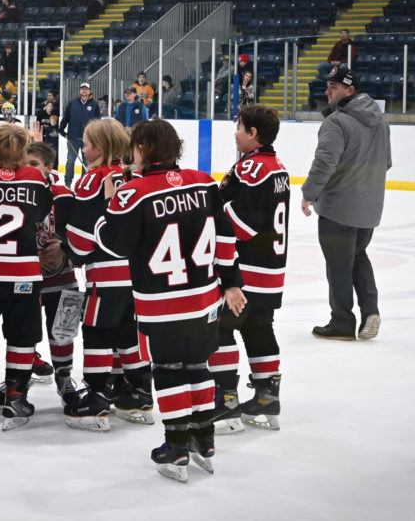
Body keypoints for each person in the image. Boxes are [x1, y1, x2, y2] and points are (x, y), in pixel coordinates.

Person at [96, 118, 245, 482]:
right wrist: (232, 283)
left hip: (161, 303)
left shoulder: (134, 192)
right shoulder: (204, 182)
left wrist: (109, 203)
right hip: (205, 298)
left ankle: (176, 445)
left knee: (168, 370)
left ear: (143, 149)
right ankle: (204, 438)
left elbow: (112, 243)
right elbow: (226, 238)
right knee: (198, 366)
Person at [62, 119, 153, 432]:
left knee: (97, 330)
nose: (84, 150)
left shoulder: (92, 179)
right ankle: (139, 394)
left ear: (98, 148)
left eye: (86, 145)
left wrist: (74, 254)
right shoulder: (137, 174)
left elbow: (79, 235)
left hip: (107, 273)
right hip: (139, 275)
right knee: (129, 332)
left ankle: (97, 398)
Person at [212, 105, 290, 434]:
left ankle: (226, 398)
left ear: (253, 134)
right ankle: (267, 396)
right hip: (272, 272)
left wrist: (215, 207)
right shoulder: (278, 167)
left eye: (240, 127)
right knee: (259, 329)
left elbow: (242, 225)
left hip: (246, 272)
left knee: (221, 329)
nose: (235, 132)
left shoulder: (252, 169)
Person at [0, 124, 53, 430]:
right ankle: (16, 393)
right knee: (22, 335)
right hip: (23, 271)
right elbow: (42, 213)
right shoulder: (35, 177)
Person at [301, 66, 390, 341]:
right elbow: (385, 163)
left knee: (339, 265)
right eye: (327, 85)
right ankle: (370, 311)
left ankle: (341, 321)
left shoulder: (336, 122)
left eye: (334, 87)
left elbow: (324, 163)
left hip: (339, 208)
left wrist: (309, 193)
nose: (327, 91)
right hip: (369, 209)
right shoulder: (380, 121)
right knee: (358, 257)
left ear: (350, 91)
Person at [25, 141, 79, 401]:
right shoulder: (18, 191)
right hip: (27, 277)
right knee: (24, 330)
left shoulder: (64, 194)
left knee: (64, 330)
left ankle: (65, 376)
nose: (29, 169)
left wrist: (65, 249)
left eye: (34, 164)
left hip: (63, 278)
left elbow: (79, 231)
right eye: (25, 164)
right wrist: (30, 256)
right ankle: (19, 378)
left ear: (49, 168)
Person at [58, 82, 100, 187]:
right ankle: (68, 182)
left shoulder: (94, 105)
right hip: (73, 138)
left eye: (86, 89)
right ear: (80, 91)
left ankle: (83, 182)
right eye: (82, 89)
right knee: (71, 160)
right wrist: (61, 128)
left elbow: (97, 122)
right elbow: (66, 118)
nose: (84, 91)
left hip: (88, 140)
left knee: (86, 162)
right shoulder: (73, 103)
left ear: (90, 91)